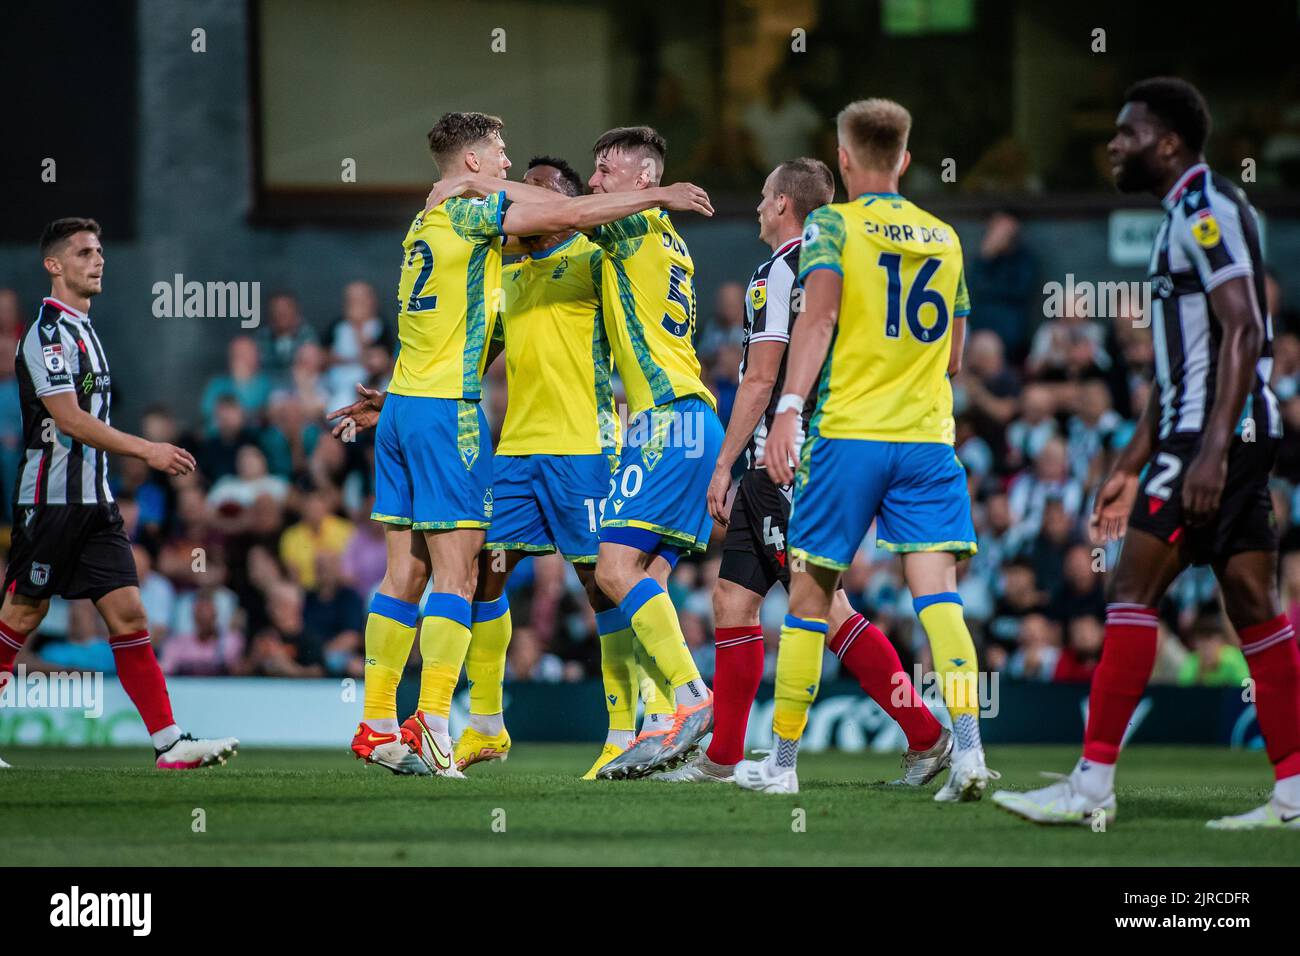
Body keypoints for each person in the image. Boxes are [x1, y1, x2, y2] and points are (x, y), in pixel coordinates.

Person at [331, 112, 714, 778]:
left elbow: (631, 291)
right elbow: (474, 346)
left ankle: (631, 726)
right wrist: (396, 401)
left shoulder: (596, 255)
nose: (520, 189)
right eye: (514, 173)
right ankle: (484, 723)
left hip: (586, 445)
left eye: (541, 190)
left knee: (603, 584)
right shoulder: (500, 271)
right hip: (511, 450)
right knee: (482, 570)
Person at [993, 78, 1300, 830]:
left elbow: (1245, 332)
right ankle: (1295, 792)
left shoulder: (1206, 209)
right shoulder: (1178, 219)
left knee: (1131, 592)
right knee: (1255, 605)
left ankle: (1092, 783)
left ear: (1168, 143)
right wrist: (1128, 464)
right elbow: (1173, 375)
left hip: (1214, 437)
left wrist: (1209, 451)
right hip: (1210, 432)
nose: (1114, 145)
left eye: (1127, 134)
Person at [659, 158, 950, 787]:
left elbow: (761, 378)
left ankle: (926, 736)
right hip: (808, 456)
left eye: (766, 196)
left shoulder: (780, 269)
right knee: (732, 601)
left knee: (828, 606)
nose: (759, 206)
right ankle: (723, 757)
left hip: (784, 460)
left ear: (785, 204)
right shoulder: (838, 268)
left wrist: (723, 465)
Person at [751, 99, 996, 799]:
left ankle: (784, 768)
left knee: (808, 596)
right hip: (925, 439)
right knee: (940, 601)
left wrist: (789, 408)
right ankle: (971, 754)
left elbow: (820, 315)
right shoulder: (945, 237)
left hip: (849, 435)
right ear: (908, 159)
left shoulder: (832, 223)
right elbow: (954, 356)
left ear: (846, 159)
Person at [0, 218, 237, 770]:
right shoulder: (48, 334)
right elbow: (70, 420)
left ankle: (169, 743)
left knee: (129, 615)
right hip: (52, 500)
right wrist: (148, 450)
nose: (98, 260)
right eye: (84, 252)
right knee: (22, 613)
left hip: (95, 502)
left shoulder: (86, 330)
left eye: (101, 250)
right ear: (54, 266)